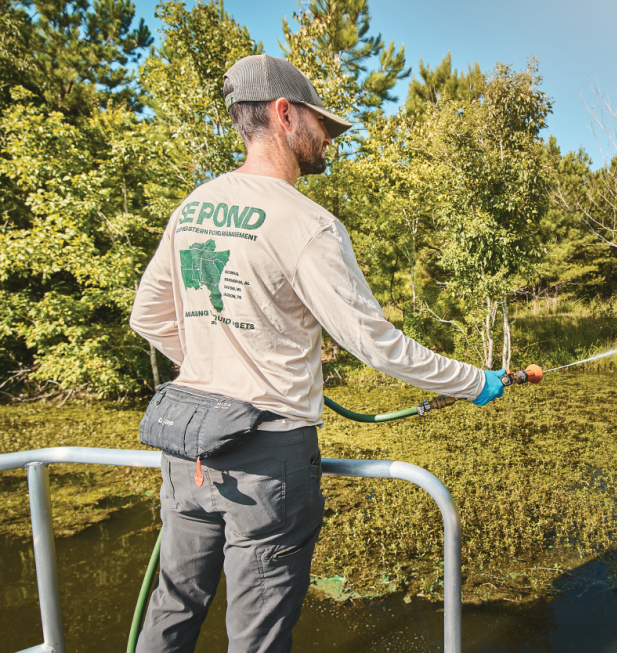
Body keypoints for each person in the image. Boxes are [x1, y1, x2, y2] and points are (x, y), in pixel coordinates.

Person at [129, 54, 504, 653]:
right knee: (256, 637)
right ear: (284, 114)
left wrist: (215, 364)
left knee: (172, 610)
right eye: (320, 123)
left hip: (187, 448)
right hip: (268, 461)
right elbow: (375, 344)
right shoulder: (307, 223)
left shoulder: (193, 207)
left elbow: (148, 317)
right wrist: (474, 382)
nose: (328, 138)